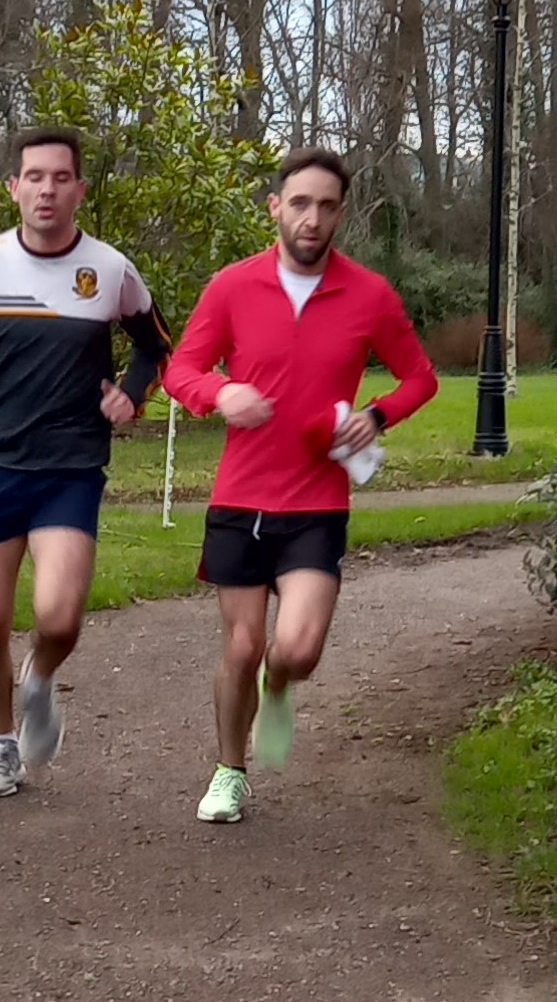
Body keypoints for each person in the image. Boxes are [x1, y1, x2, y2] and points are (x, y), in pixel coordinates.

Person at [164, 148, 439, 825]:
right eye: (299, 203)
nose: (312, 218)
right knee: (240, 644)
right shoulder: (232, 286)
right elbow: (180, 370)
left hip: (317, 500)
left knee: (296, 649)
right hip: (240, 497)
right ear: (276, 207)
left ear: (341, 214)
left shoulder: (369, 294)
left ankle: (279, 685)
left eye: (326, 206)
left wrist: (375, 416)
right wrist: (221, 391)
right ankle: (230, 771)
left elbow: (420, 378)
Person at [0, 128, 171, 799]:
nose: (47, 189)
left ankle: (41, 680)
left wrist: (130, 393)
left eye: (61, 177)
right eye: (35, 177)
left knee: (58, 618)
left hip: (70, 464)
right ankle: (2, 748)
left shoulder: (111, 270)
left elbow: (153, 345)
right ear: (14, 188)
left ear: (79, 189)